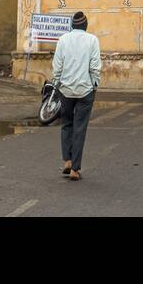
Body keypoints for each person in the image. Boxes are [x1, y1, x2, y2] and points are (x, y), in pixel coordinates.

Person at [53, 11, 101, 180]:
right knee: (80, 128)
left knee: (66, 124)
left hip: (65, 89)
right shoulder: (92, 40)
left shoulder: (63, 40)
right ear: (85, 25)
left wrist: (57, 83)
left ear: (72, 25)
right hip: (85, 90)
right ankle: (75, 169)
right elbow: (95, 66)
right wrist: (95, 84)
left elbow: (57, 65)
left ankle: (67, 160)